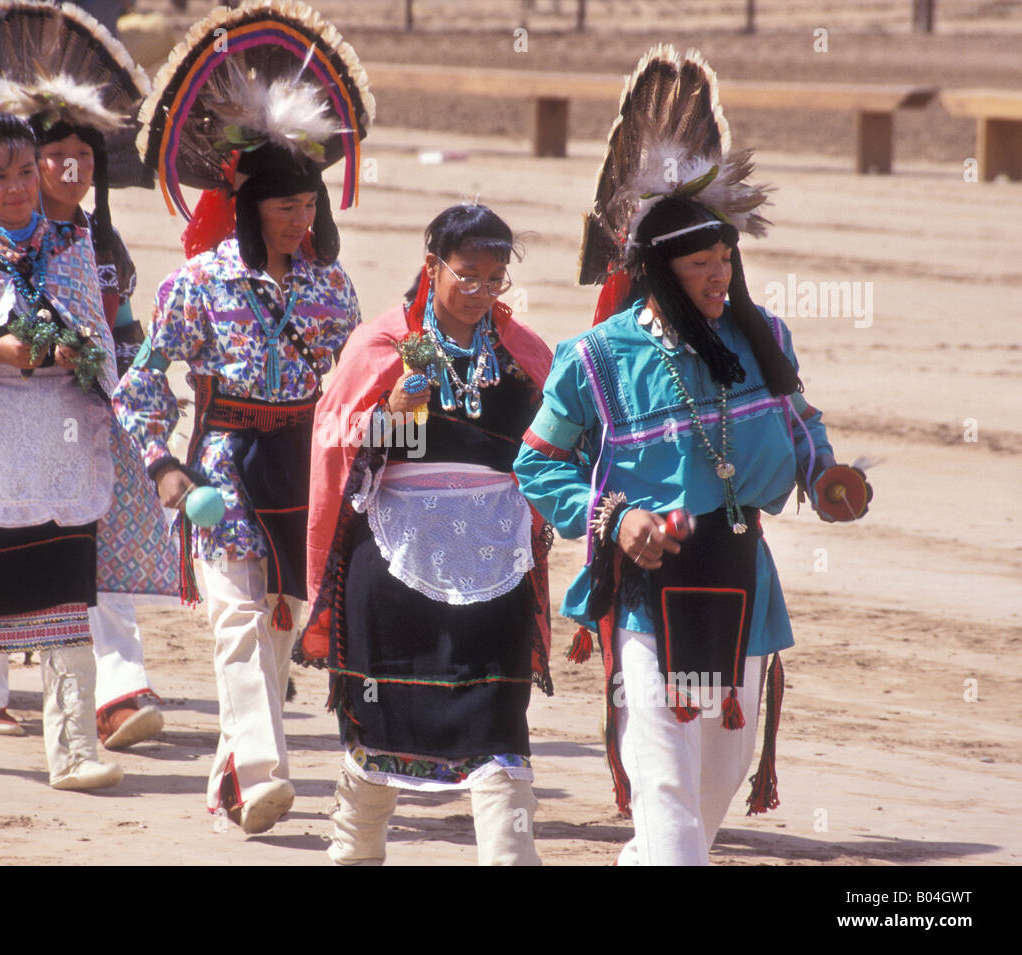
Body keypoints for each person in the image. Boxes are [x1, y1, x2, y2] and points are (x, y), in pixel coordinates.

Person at [513, 46, 872, 865]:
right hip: (649, 586)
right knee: (668, 784)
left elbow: (799, 419)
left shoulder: (764, 337)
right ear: (662, 274)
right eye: (701, 265)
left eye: (726, 260)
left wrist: (826, 475)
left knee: (715, 782)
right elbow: (537, 464)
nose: (720, 277)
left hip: (743, 580)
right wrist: (614, 516)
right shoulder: (595, 358)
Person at [118, 0, 374, 834]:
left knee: (278, 628)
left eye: (311, 206)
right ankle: (265, 774)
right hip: (223, 462)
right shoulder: (194, 286)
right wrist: (163, 464)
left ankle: (232, 770)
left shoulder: (332, 288)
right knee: (235, 619)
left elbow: (359, 383)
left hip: (306, 464)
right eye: (286, 207)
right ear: (250, 203)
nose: (303, 220)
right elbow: (141, 387)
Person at [0, 113, 175, 789]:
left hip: (60, 449)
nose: (15, 188)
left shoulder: (72, 248)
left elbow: (101, 338)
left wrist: (78, 351)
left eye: (23, 172)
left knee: (67, 596)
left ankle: (72, 749)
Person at [299, 204, 553, 865]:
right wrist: (397, 414)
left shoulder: (521, 354)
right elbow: (344, 454)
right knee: (381, 720)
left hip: (496, 564)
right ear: (432, 266)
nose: (480, 291)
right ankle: (354, 850)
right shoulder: (394, 344)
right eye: (466, 274)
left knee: (499, 716)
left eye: (494, 278)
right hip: (394, 562)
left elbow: (553, 448)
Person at [0, 2, 165, 750]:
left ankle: (122, 689)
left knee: (83, 537)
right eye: (54, 158)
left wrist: (131, 372)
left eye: (84, 156)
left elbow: (126, 323)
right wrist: (22, 350)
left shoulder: (101, 244)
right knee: (4, 536)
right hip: (7, 419)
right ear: (20, 167)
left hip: (91, 414)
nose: (71, 169)